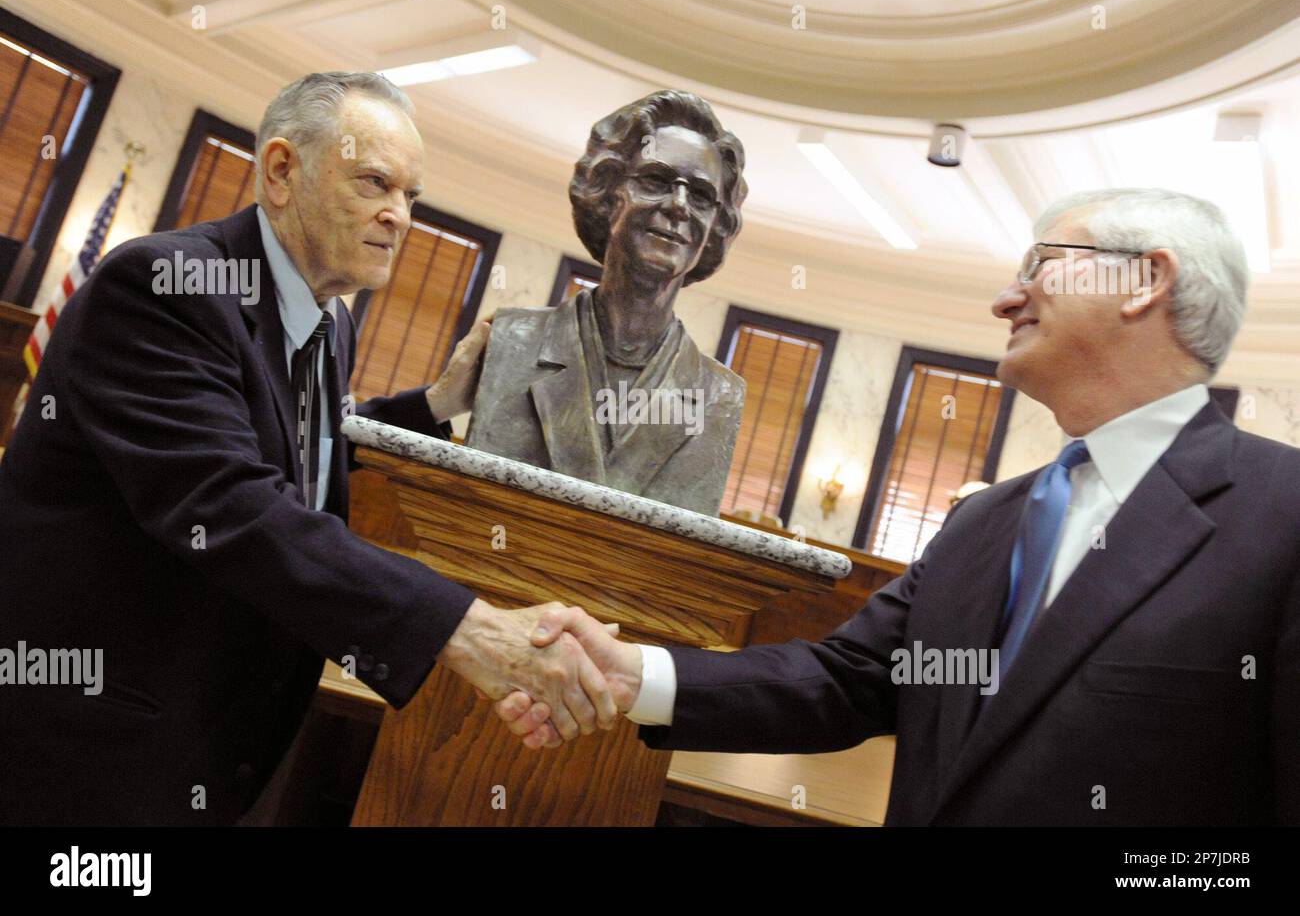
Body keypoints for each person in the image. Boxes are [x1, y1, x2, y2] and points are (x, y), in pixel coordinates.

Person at [496, 188, 1300, 826]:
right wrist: (630, 671)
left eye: (1040, 265)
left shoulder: (1285, 514)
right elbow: (844, 682)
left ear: (1143, 281)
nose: (1004, 299)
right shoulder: (984, 522)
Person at [0, 71, 614, 826]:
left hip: (214, 738)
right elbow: (233, 503)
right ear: (282, 170)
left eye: (412, 197)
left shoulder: (331, 319)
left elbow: (296, 456)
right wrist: (471, 628)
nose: (400, 217)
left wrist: (437, 401)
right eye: (376, 183)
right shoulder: (166, 287)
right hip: (91, 744)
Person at [465, 90, 748, 515]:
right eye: (656, 180)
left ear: (715, 226)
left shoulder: (719, 395)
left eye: (702, 197)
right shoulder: (513, 339)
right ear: (608, 193)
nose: (679, 205)